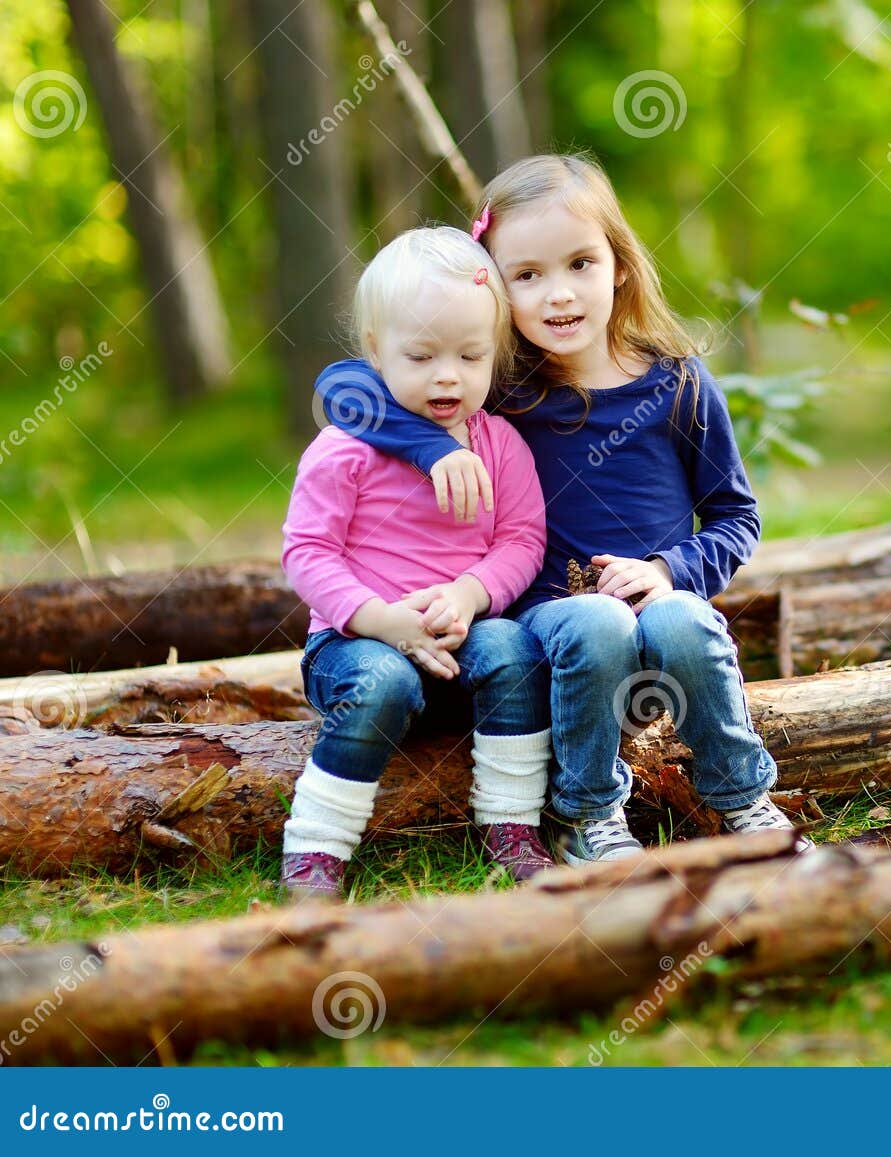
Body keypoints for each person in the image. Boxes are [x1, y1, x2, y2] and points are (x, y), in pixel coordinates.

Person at [313, 153, 810, 864]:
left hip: (661, 613)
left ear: (621, 265)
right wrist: (431, 447)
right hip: (554, 626)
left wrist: (671, 570)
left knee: (686, 619)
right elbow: (344, 387)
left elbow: (736, 516)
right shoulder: (504, 386)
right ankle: (585, 812)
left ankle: (743, 798)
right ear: (494, 293)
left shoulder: (679, 385)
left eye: (580, 263)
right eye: (527, 275)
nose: (560, 295)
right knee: (596, 618)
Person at [280, 226, 554, 902]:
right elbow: (307, 552)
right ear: (375, 351)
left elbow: (522, 537)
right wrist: (381, 620)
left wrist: (469, 594)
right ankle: (315, 845)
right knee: (381, 684)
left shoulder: (500, 444)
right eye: (422, 354)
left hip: (463, 636)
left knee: (517, 649)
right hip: (356, 642)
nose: (447, 375)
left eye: (470, 355)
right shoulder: (344, 449)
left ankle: (512, 826)